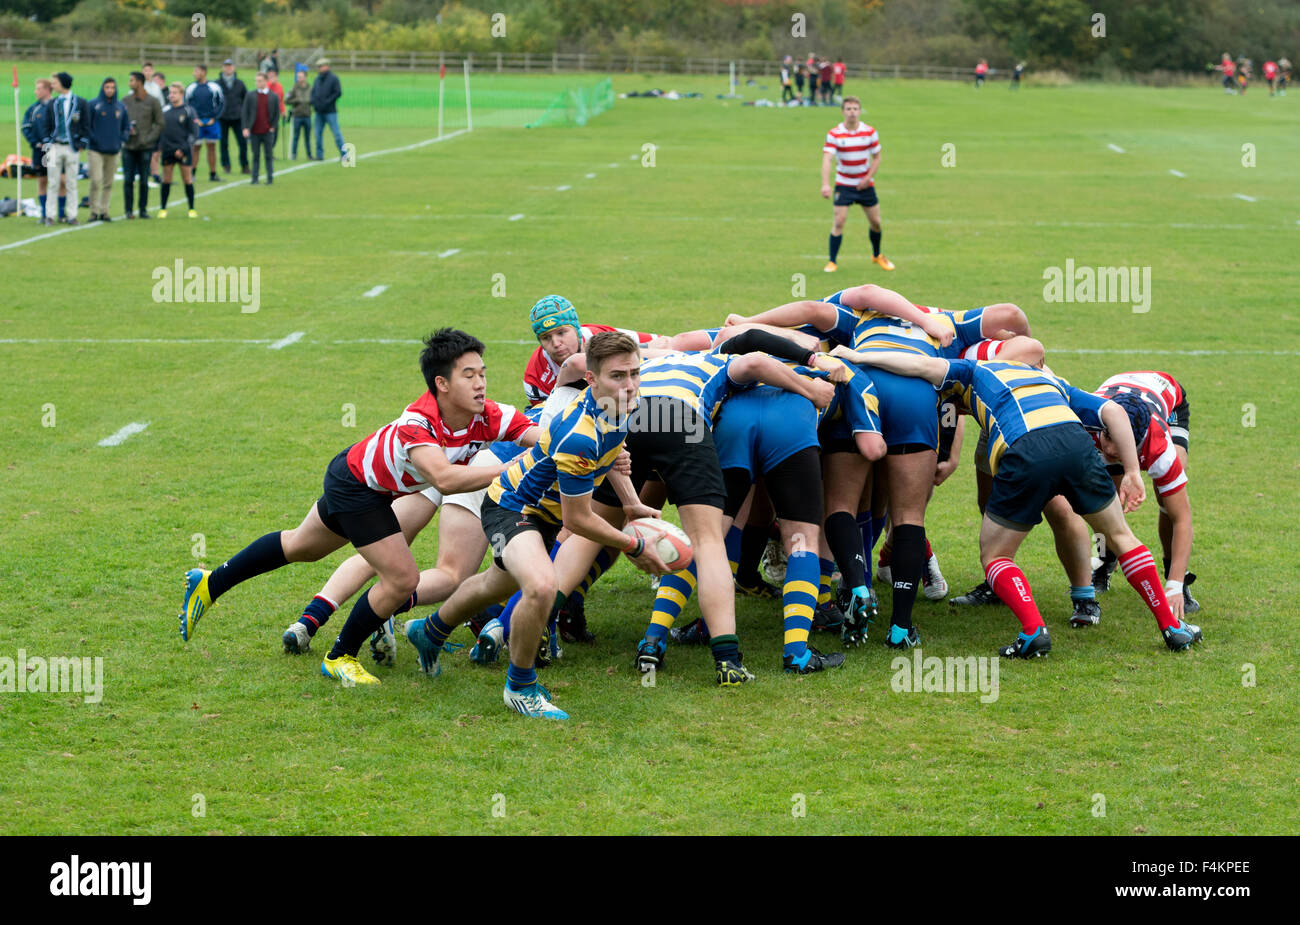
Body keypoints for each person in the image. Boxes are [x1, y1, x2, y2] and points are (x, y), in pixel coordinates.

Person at [179, 330, 522, 689]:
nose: (481, 383)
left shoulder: (488, 414)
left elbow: (539, 435)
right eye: (469, 375)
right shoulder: (418, 423)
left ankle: (210, 582)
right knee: (403, 579)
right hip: (357, 489)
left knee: (300, 547)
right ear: (442, 383)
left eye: (482, 373)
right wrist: (513, 467)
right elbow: (446, 479)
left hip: (358, 476)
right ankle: (340, 656)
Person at [830, 349, 1204, 656]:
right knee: (1122, 537)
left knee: (995, 554)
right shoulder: (1052, 381)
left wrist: (856, 355)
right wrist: (1134, 472)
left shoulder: (974, 370)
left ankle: (1033, 631)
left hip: (1026, 448)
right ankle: (1173, 628)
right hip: (1076, 444)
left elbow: (918, 364)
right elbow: (1113, 412)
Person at [403, 333, 670, 719]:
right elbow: (578, 519)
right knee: (542, 585)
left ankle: (427, 632)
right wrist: (633, 546)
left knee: (492, 586)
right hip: (511, 507)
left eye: (634, 373)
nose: (629, 384)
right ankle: (520, 686)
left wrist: (631, 504)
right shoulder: (580, 434)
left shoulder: (621, 404)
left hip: (542, 514)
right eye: (617, 376)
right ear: (592, 380)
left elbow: (611, 454)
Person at [1084, 372, 1198, 617]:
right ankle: (1105, 559)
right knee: (1105, 497)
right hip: (1117, 388)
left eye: (1121, 442)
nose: (1111, 449)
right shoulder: (1087, 421)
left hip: (1169, 399)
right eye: (1108, 437)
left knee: (1168, 500)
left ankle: (1175, 574)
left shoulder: (1159, 447)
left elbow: (1183, 518)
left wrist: (1174, 586)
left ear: (1140, 438)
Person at [521, 295, 660, 406]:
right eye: (546, 338)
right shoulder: (535, 379)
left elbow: (661, 342)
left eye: (561, 333)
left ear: (577, 330)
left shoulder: (596, 335)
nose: (556, 343)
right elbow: (548, 424)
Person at [821, 96, 894, 273]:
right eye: (848, 109)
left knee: (876, 222)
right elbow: (827, 159)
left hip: (865, 185)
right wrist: (825, 184)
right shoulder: (834, 134)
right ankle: (832, 261)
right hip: (844, 184)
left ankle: (877, 255)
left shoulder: (869, 132)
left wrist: (868, 178)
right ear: (843, 112)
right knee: (839, 221)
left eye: (855, 109)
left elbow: (877, 157)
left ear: (860, 111)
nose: (852, 112)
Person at [40, 71, 88, 227]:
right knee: (52, 182)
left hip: (72, 148)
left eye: (55, 82)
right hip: (54, 147)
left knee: (71, 183)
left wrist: (81, 144)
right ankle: (50, 216)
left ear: (63, 83)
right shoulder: (52, 103)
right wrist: (48, 142)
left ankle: (72, 215)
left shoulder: (80, 103)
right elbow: (46, 125)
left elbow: (86, 125)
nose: (52, 85)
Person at [85, 77, 131, 222]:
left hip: (114, 150)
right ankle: (93, 211)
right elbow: (87, 126)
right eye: (107, 87)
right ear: (103, 88)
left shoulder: (120, 107)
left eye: (112, 87)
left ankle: (104, 211)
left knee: (108, 183)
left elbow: (126, 126)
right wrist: (94, 140)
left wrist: (121, 140)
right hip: (96, 150)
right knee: (96, 180)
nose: (110, 90)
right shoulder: (93, 105)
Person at [121, 72, 162, 220]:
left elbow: (159, 123)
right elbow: (120, 120)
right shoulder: (125, 100)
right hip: (128, 146)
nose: (129, 83)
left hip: (145, 147)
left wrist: (149, 139)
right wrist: (125, 132)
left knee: (144, 180)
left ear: (139, 82)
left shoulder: (153, 101)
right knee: (128, 180)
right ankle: (128, 210)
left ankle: (143, 209)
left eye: (131, 80)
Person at [157, 83, 199, 219]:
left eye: (175, 92)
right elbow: (161, 131)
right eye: (170, 92)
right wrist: (164, 147)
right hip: (169, 150)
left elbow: (194, 133)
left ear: (181, 94)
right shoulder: (165, 110)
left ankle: (191, 208)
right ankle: (163, 208)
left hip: (184, 150)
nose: (171, 95)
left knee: (187, 179)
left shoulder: (188, 110)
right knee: (166, 179)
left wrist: (183, 148)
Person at [20, 78, 54, 223]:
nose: (36, 91)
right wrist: (35, 142)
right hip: (39, 151)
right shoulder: (33, 109)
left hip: (54, 150)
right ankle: (44, 214)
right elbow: (25, 127)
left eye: (39, 88)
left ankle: (59, 213)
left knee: (58, 181)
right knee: (42, 181)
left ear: (47, 90)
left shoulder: (56, 106)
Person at [185, 64, 224, 182]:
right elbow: (186, 105)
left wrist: (214, 117)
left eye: (196, 71)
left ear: (203, 72)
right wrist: (194, 120)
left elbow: (221, 103)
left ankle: (213, 174)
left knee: (211, 147)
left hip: (211, 121)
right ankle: (192, 173)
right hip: (197, 122)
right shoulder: (191, 88)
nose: (194, 73)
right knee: (195, 147)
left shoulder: (214, 87)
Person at [241, 71, 280, 185]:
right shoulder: (250, 95)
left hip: (267, 131)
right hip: (255, 131)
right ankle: (255, 178)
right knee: (255, 155)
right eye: (256, 81)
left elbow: (276, 113)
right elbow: (245, 112)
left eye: (260, 81)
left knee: (268, 155)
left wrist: (273, 126)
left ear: (265, 81)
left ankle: (270, 178)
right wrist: (245, 127)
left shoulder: (273, 96)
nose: (257, 83)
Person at [216, 58, 248, 176]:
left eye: (230, 66)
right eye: (226, 66)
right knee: (224, 143)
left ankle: (244, 165)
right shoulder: (217, 83)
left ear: (233, 68)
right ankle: (226, 165)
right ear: (223, 68)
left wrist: (244, 113)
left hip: (237, 117)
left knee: (242, 142)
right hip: (223, 117)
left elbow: (245, 100)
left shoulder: (240, 83)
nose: (228, 68)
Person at [310, 58, 346, 161]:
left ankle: (344, 154)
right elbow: (314, 93)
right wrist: (314, 102)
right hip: (319, 112)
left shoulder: (334, 78)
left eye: (321, 66)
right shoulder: (317, 79)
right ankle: (319, 155)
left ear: (327, 66)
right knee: (317, 134)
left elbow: (337, 93)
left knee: (337, 134)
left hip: (330, 112)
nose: (320, 68)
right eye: (319, 67)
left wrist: (327, 102)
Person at [285, 65, 313, 159]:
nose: (299, 78)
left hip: (307, 115)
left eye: (301, 77)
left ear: (305, 77)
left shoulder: (310, 88)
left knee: (307, 137)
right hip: (297, 115)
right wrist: (296, 100)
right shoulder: (294, 88)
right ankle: (294, 154)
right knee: (295, 137)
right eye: (298, 77)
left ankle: (309, 155)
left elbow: (313, 99)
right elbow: (287, 100)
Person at [149, 71, 167, 184]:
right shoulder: (153, 93)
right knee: (154, 152)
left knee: (160, 152)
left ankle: (158, 173)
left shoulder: (167, 93)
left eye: (156, 80)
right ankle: (155, 174)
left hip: (164, 126)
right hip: (154, 126)